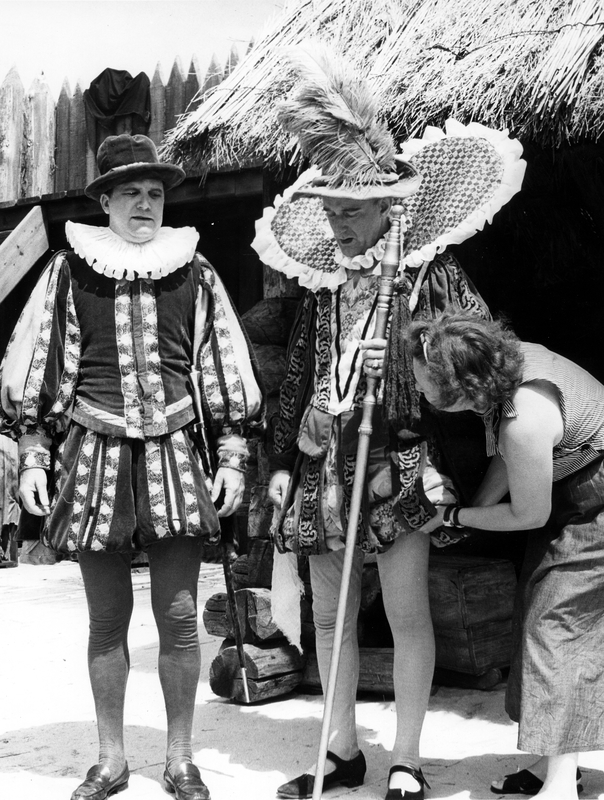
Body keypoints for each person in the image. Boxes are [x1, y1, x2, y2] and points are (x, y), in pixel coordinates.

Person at [252, 49, 524, 800]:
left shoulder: (431, 273)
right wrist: (280, 460)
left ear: (389, 208)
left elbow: (474, 366)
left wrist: (403, 370)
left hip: (397, 459)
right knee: (330, 615)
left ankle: (404, 757)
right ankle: (339, 752)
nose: (339, 226)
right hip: (322, 462)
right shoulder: (322, 287)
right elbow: (302, 376)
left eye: (353, 213)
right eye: (331, 213)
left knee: (405, 612)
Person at [0, 134, 264, 800]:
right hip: (93, 457)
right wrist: (34, 452)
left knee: (177, 615)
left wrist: (231, 455)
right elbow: (42, 368)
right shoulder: (69, 271)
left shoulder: (195, 272)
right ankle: (112, 760)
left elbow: (220, 367)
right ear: (107, 201)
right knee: (106, 617)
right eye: (131, 194)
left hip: (174, 456)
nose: (145, 205)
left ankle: (179, 760)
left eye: (155, 194)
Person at [407, 312, 604, 800]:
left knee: (553, 627)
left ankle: (560, 786)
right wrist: (474, 509)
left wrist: (455, 520)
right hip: (572, 497)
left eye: (427, 387)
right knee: (536, 616)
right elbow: (509, 462)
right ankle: (556, 761)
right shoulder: (504, 373)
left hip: (595, 503)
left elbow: (529, 514)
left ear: (462, 388)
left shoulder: (524, 413)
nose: (420, 393)